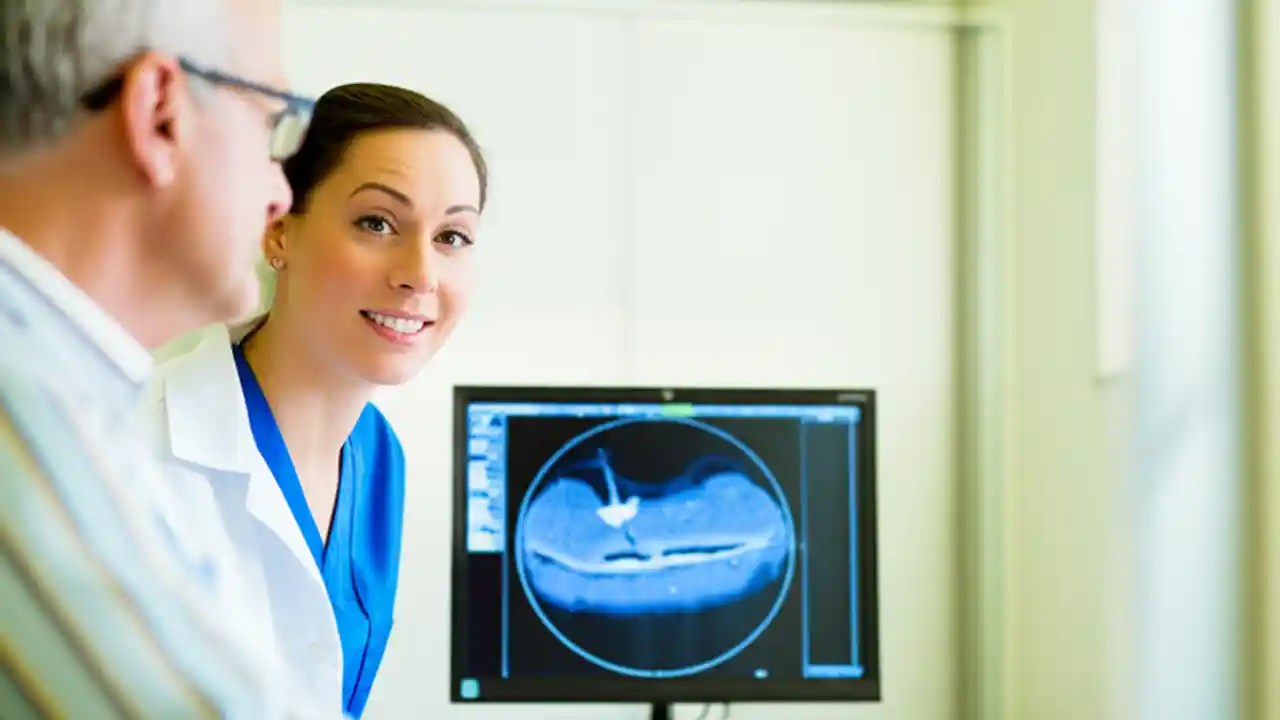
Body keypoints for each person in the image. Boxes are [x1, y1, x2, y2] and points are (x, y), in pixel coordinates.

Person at [0, 1, 333, 717]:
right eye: (273, 122)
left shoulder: (74, 395)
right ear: (160, 113)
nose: (280, 193)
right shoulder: (22, 417)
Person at [147, 82, 488, 717]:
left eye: (452, 237)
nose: (420, 273)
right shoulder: (143, 441)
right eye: (377, 223)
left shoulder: (378, 454)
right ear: (278, 231)